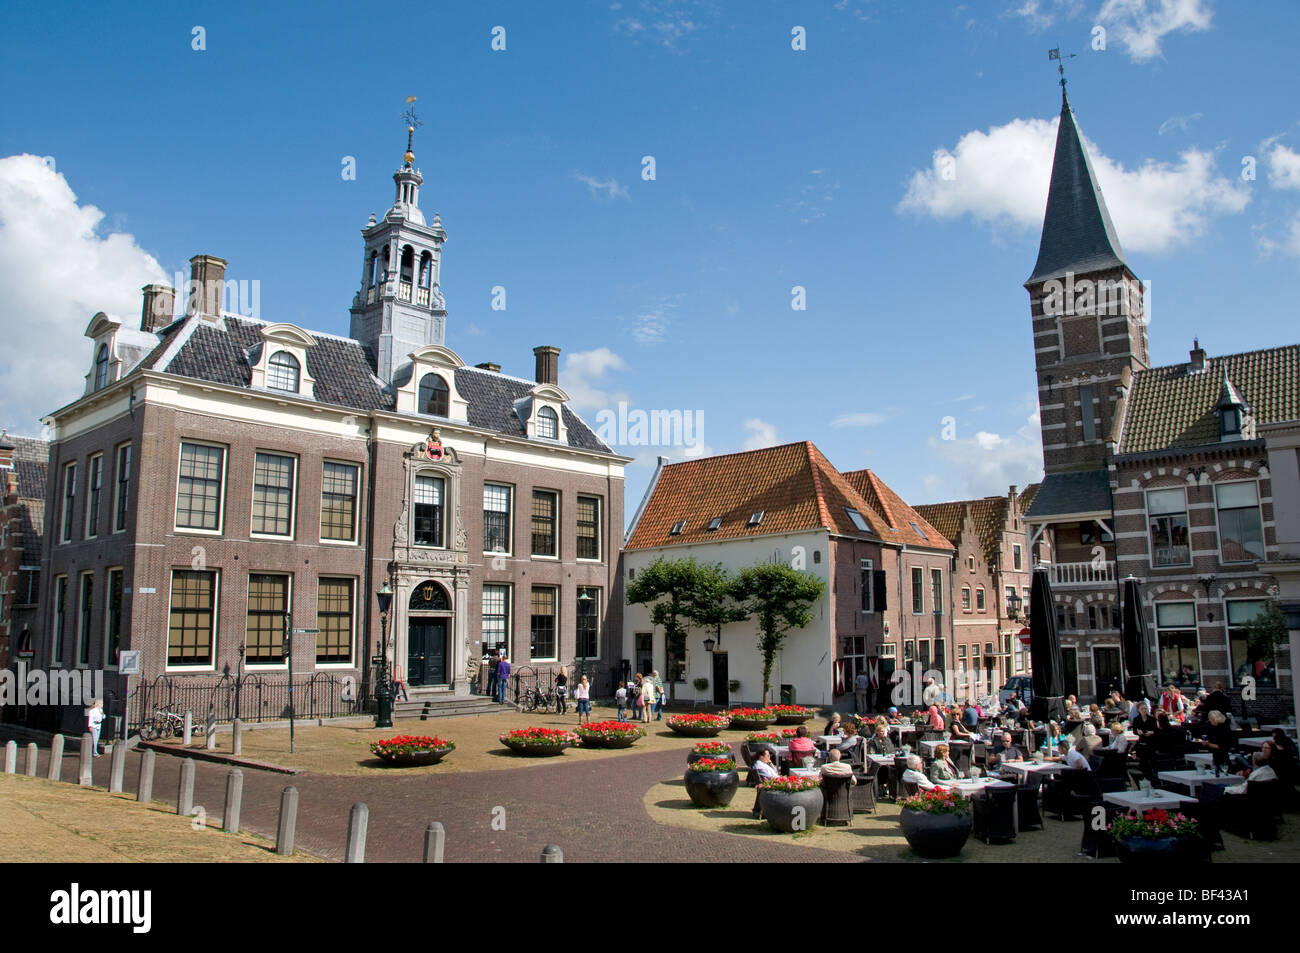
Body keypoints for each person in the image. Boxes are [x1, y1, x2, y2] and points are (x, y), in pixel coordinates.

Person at [1200, 710, 1234, 775]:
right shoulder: (1217, 727)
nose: (1209, 721)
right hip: (1217, 756)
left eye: (1210, 719)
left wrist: (1207, 744)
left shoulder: (1222, 730)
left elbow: (1220, 746)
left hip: (1222, 757)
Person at [751, 748, 780, 817]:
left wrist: (771, 764)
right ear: (761, 757)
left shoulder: (761, 764)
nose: (769, 758)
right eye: (767, 756)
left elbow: (774, 773)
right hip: (772, 783)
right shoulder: (761, 766)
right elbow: (773, 776)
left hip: (771, 781)